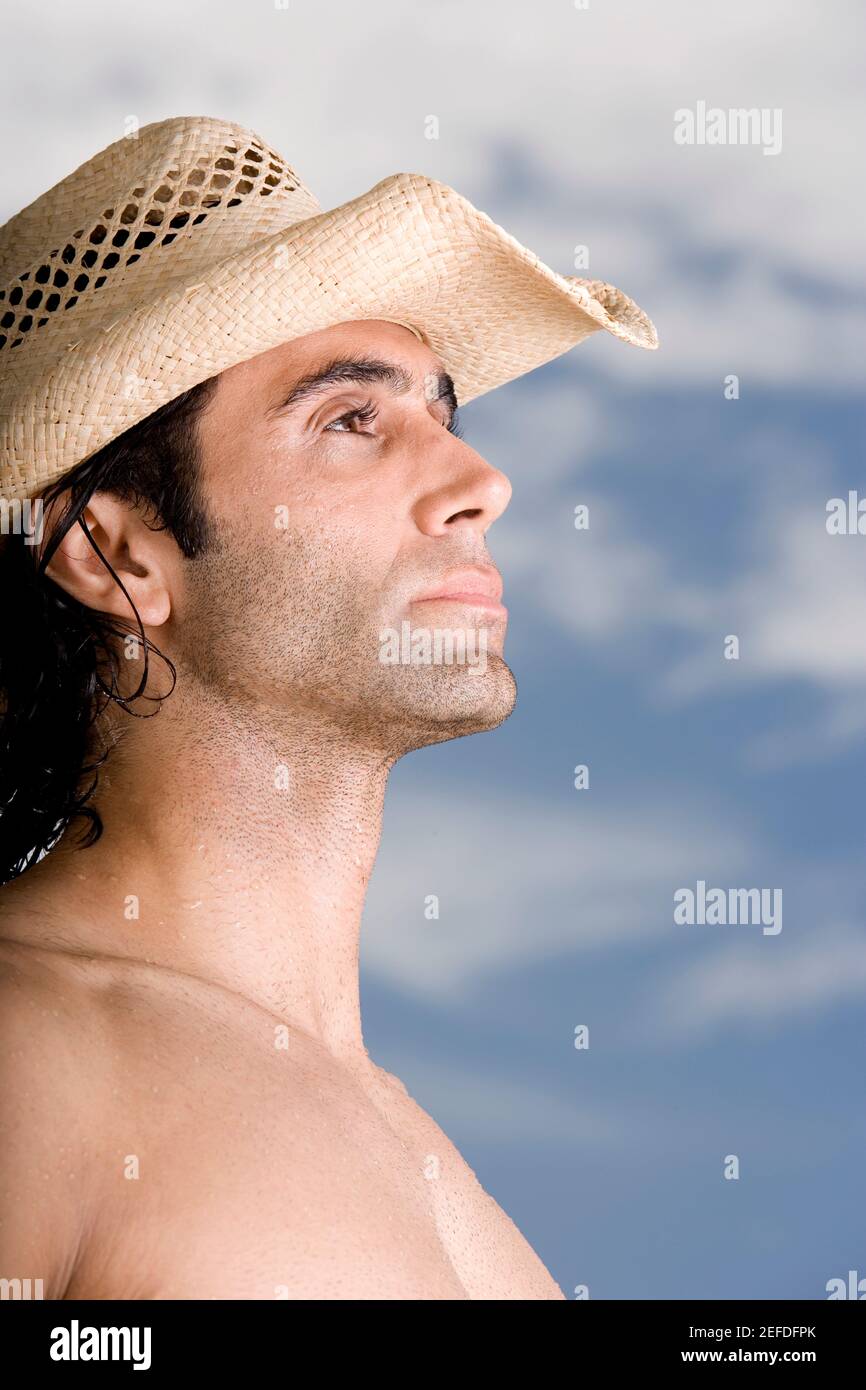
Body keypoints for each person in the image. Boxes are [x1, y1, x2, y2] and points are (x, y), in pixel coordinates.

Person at [0, 117, 656, 1300]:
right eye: (350, 420)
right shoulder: (26, 1057)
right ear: (117, 551)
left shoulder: (415, 1146)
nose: (481, 484)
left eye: (441, 415)